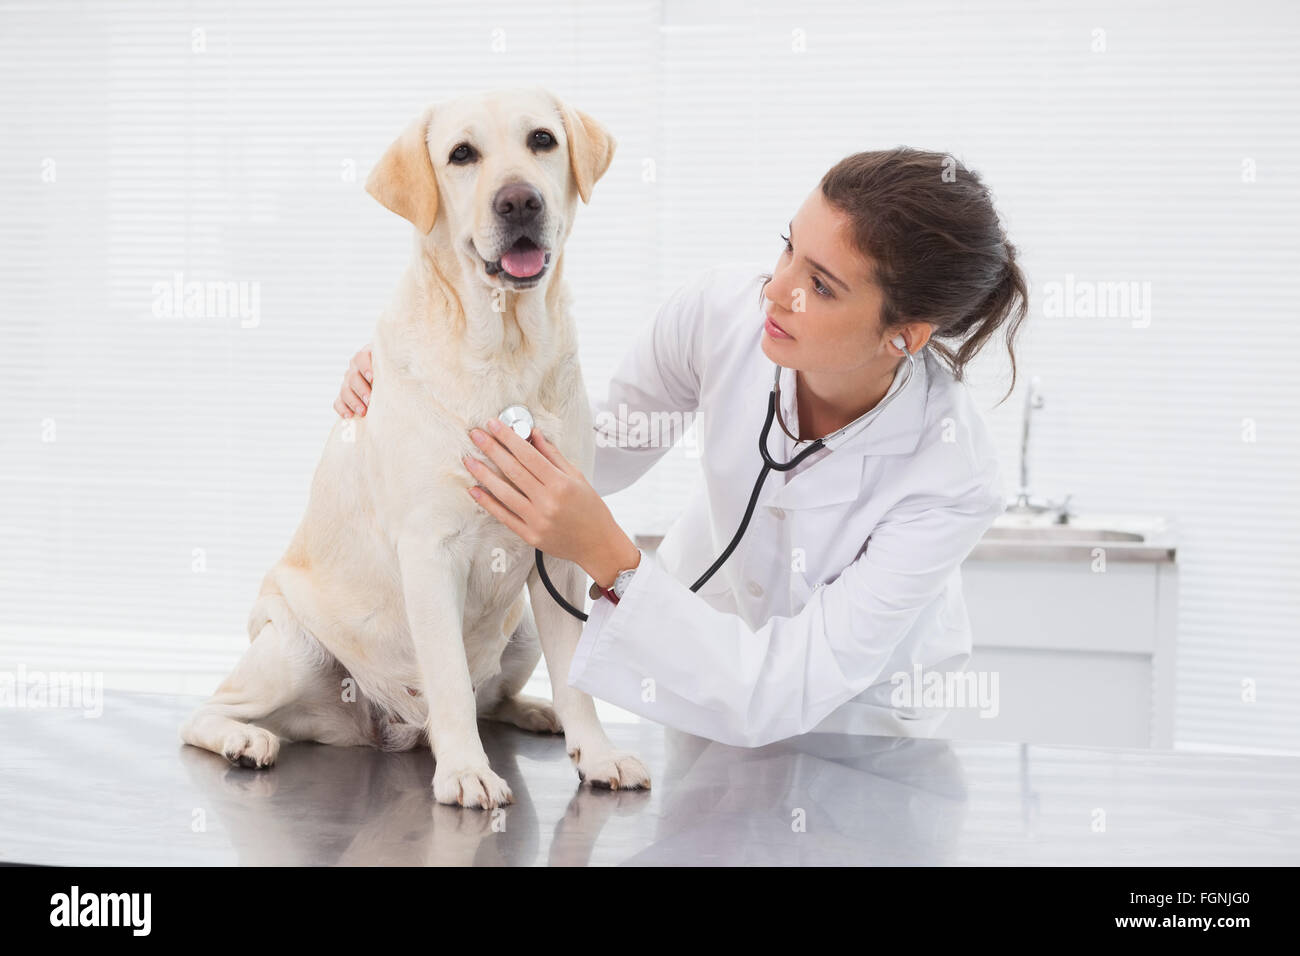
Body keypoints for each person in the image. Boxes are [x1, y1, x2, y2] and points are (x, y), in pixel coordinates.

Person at [334, 148, 1027, 747]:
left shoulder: (951, 477)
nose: (776, 290)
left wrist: (610, 557)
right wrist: (419, 376)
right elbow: (595, 450)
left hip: (863, 725)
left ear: (904, 335)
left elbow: (777, 691)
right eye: (788, 247)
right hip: (704, 657)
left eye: (820, 285)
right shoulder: (719, 313)